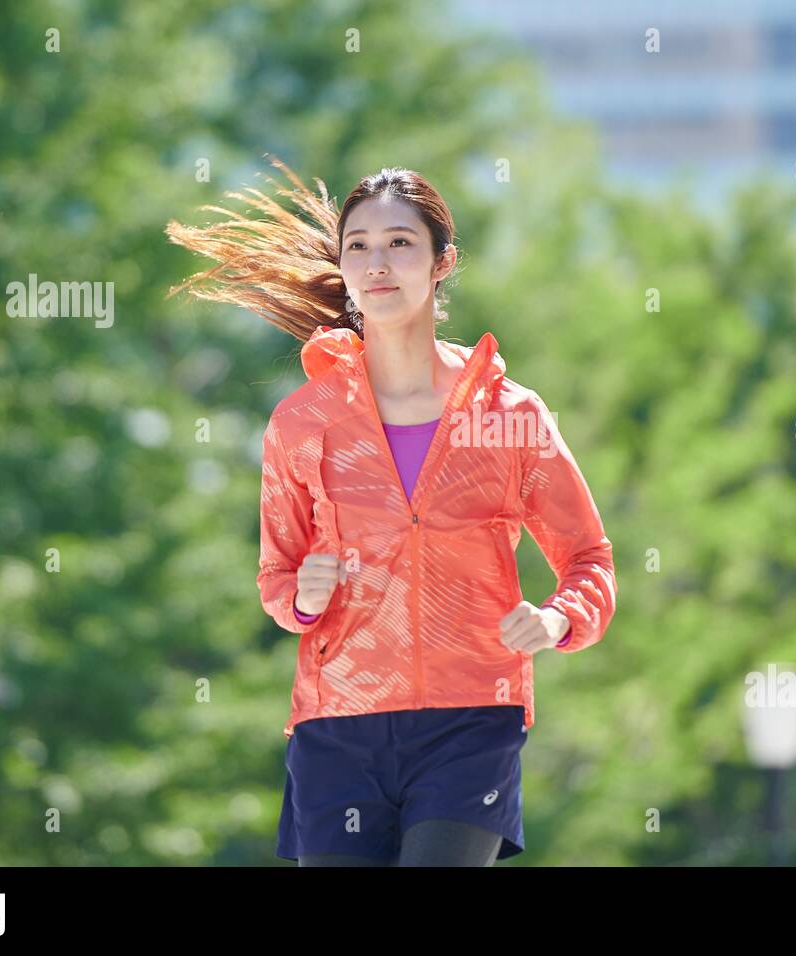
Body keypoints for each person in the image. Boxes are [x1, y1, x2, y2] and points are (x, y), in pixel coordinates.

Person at [165, 160, 617, 866]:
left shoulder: (506, 415)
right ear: (343, 267)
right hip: (338, 728)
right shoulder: (303, 422)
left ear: (444, 263)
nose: (378, 263)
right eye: (359, 246)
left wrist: (559, 618)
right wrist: (304, 598)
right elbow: (276, 578)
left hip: (471, 720)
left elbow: (589, 558)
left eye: (401, 243)